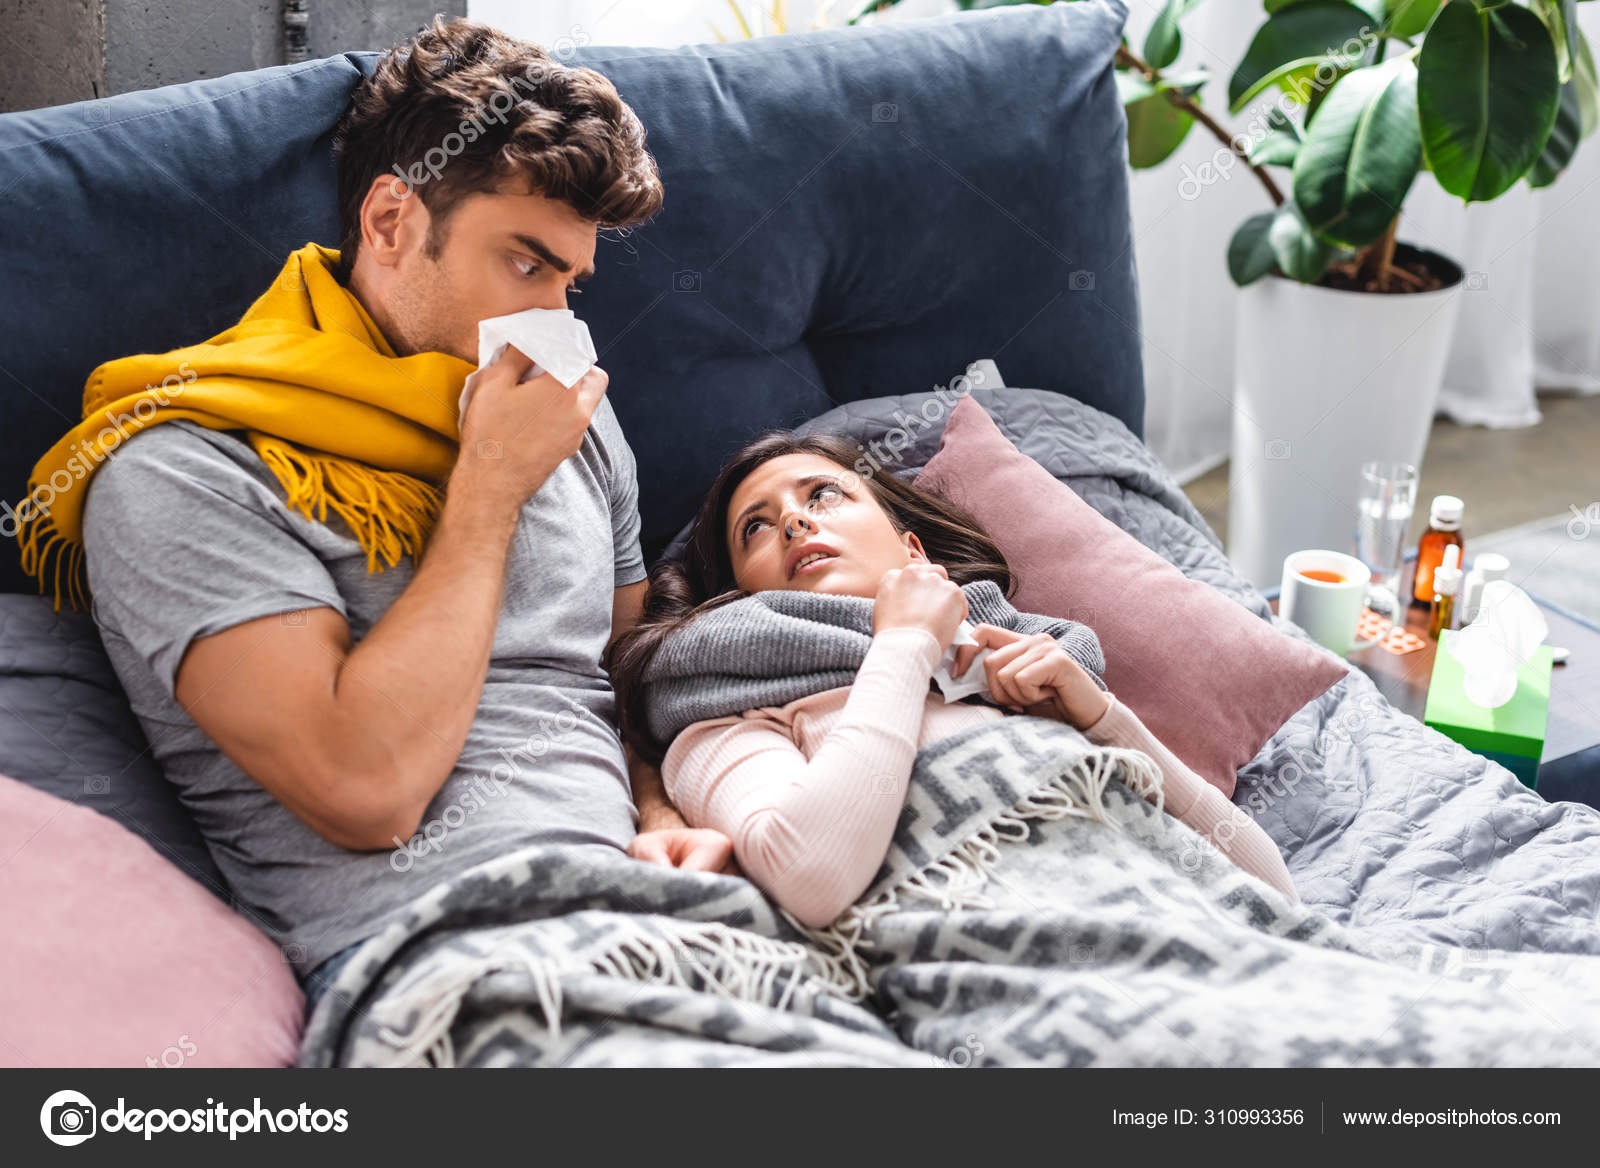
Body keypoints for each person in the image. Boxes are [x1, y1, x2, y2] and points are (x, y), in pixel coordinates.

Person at [17, 18, 729, 1020]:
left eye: (570, 283)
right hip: (450, 956)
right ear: (392, 222)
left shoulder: (570, 405)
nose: (559, 327)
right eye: (525, 264)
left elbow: (628, 676)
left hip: (681, 906)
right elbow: (366, 790)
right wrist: (486, 486)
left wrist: (660, 812)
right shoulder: (186, 463)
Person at [610, 433, 1298, 929]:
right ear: (739, 596)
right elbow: (808, 875)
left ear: (912, 550)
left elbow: (1267, 885)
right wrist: (904, 644)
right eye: (754, 528)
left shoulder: (1027, 672)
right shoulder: (728, 707)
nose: (794, 520)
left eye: (824, 494)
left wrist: (1103, 720)